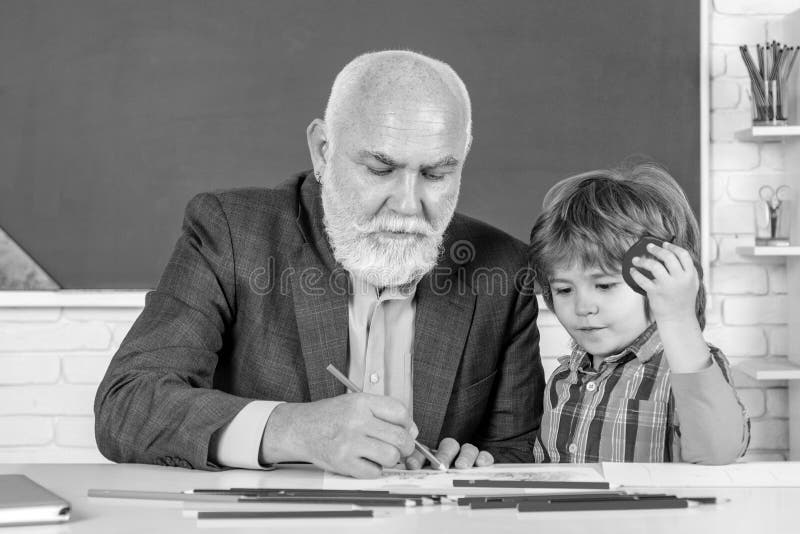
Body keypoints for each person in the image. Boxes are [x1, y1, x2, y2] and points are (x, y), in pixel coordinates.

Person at [94, 50, 545, 478]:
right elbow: (126, 403)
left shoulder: (504, 269)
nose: (408, 205)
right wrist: (294, 430)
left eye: (436, 175)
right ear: (323, 150)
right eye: (380, 169)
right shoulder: (230, 232)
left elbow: (516, 450)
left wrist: (475, 464)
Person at [527, 162, 749, 464]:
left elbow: (719, 452)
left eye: (605, 285)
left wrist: (677, 317)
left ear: (657, 278)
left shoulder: (686, 369)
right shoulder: (562, 379)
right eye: (564, 290)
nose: (583, 307)